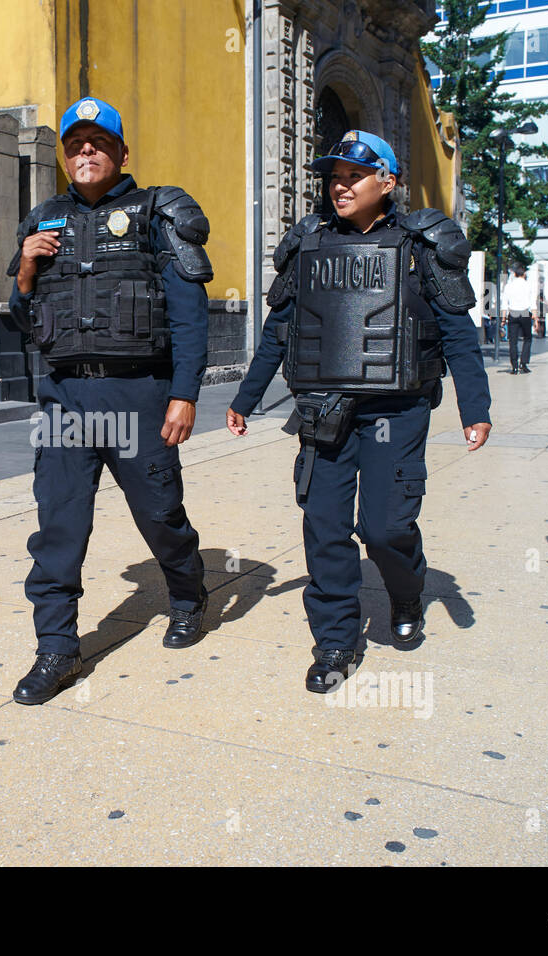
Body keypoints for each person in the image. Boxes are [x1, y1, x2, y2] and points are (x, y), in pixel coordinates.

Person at [225, 130, 492, 693]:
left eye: (353, 176)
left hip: (396, 409)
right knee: (323, 527)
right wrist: (244, 400)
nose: (340, 186)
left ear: (387, 182)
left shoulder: (422, 246)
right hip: (324, 409)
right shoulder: (309, 243)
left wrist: (477, 408)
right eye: (334, 177)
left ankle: (405, 591)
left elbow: (458, 334)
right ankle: (336, 641)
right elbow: (279, 331)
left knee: (385, 527)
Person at [6, 97, 214, 704]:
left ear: (122, 152)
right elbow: (24, 317)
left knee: (160, 516)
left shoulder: (158, 212)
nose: (86, 152)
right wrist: (23, 272)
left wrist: (184, 395)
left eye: (98, 142)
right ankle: (57, 650)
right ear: (65, 157)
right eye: (75, 144)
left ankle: (186, 593)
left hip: (140, 395)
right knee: (58, 526)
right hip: (65, 398)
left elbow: (189, 315)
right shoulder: (42, 221)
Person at [502, 264, 534, 372]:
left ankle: (514, 366)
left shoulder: (508, 286)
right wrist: (536, 317)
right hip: (525, 312)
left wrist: (503, 319)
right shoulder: (528, 285)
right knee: (528, 338)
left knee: (513, 341)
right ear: (524, 274)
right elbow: (532, 303)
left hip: (513, 313)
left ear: (514, 274)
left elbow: (504, 304)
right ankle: (523, 364)